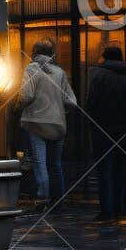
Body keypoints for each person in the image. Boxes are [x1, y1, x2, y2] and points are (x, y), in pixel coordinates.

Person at [19, 40, 77, 209]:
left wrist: (17, 107)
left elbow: (25, 96)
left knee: (39, 163)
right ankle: (58, 201)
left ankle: (43, 199)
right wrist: (61, 111)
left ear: (34, 52)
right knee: (55, 165)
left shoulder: (31, 69)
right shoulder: (60, 73)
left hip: (36, 123)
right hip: (58, 125)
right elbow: (72, 102)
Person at [86, 44, 126, 221]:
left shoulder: (99, 75)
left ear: (105, 57)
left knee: (105, 170)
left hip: (104, 129)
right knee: (120, 168)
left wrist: (92, 123)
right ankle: (119, 207)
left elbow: (91, 104)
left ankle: (107, 210)